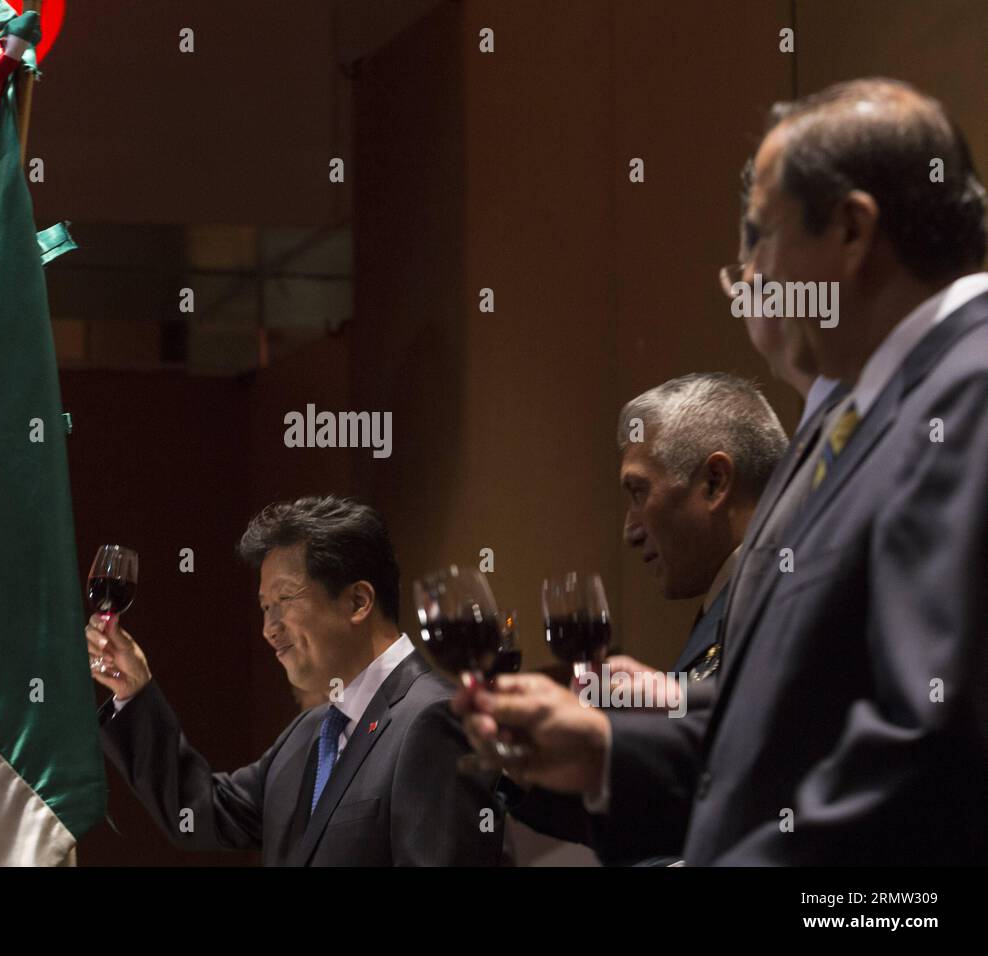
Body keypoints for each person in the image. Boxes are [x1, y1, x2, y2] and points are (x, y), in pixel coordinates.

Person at [458, 77, 988, 864]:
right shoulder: (868, 415)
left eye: (758, 237)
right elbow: (797, 729)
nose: (745, 274)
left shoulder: (970, 390)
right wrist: (606, 750)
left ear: (851, 230)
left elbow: (929, 747)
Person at [89, 495, 507, 865]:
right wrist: (136, 692)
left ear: (358, 601)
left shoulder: (434, 719)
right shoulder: (310, 731)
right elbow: (201, 812)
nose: (269, 629)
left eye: (284, 600)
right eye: (265, 607)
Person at [499, 374, 787, 862]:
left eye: (638, 492)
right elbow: (665, 807)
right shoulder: (728, 603)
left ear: (715, 482)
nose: (630, 531)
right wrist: (521, 764)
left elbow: (765, 794)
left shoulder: (784, 598)